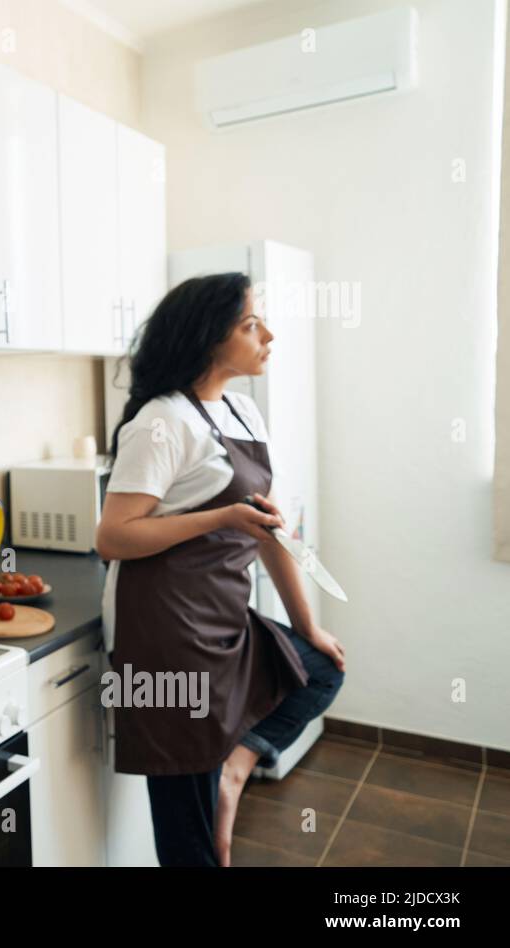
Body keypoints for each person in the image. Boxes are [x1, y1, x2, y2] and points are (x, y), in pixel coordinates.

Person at [95, 272, 346, 867]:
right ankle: (215, 792)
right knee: (191, 832)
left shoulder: (244, 412)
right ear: (211, 338)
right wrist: (218, 518)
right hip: (163, 634)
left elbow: (266, 531)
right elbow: (114, 536)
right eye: (250, 323)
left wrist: (308, 626)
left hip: (221, 615)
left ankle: (235, 771)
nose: (268, 334)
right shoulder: (162, 421)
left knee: (320, 670)